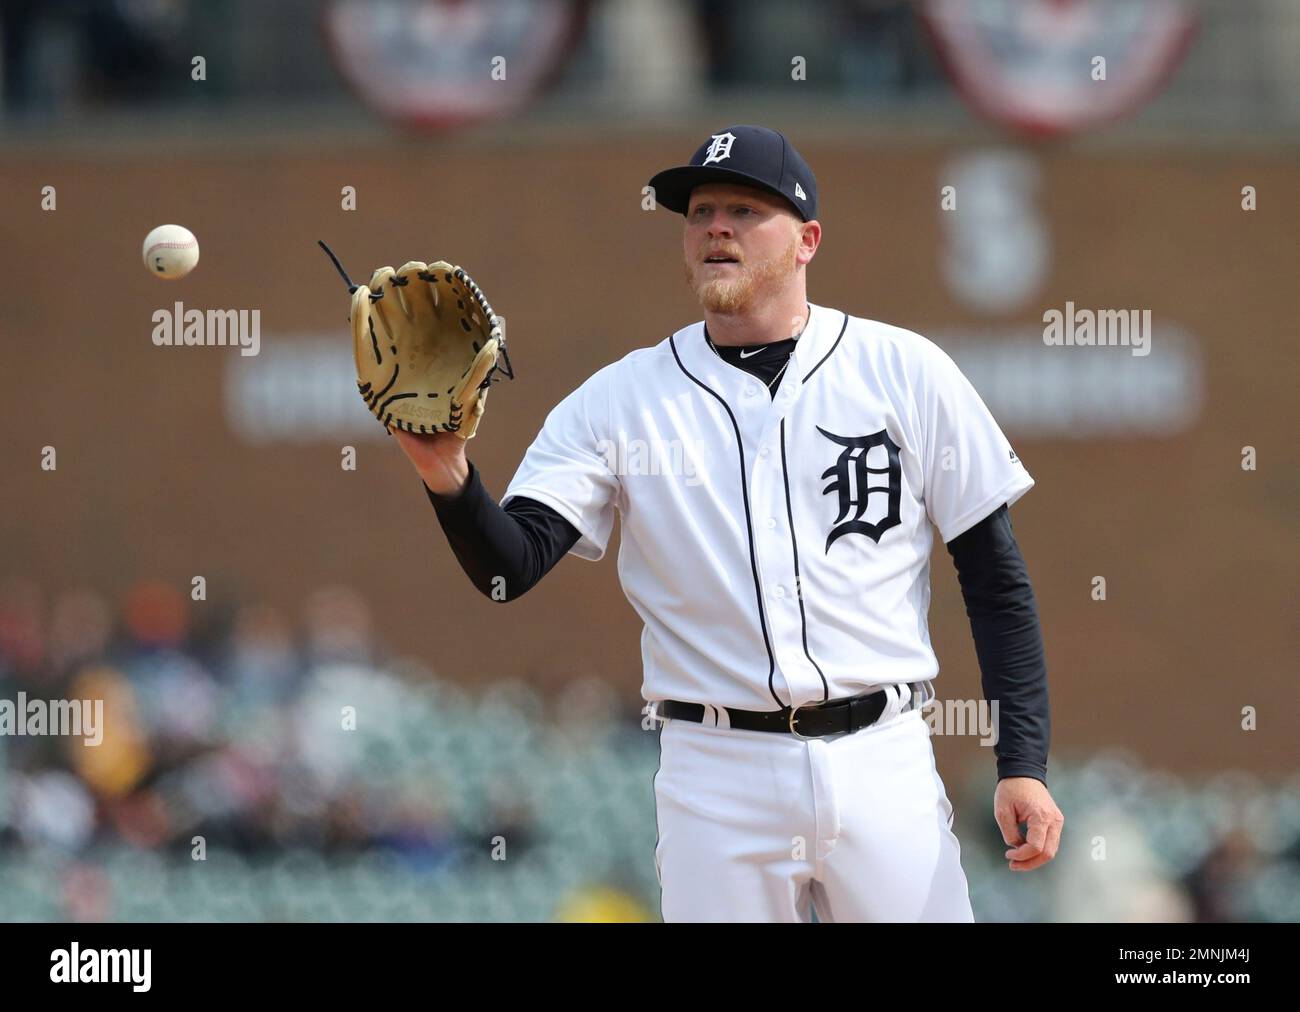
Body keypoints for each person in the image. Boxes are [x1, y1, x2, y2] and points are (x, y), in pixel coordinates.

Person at [390, 124, 1062, 922]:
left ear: (808, 239)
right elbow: (512, 569)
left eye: (744, 210)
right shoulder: (619, 400)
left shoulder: (905, 371)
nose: (715, 227)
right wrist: (449, 477)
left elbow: (995, 580)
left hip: (881, 755)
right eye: (699, 210)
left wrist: (1021, 761)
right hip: (715, 770)